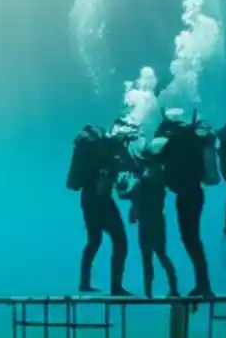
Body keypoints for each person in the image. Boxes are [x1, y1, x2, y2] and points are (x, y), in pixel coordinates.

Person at [155, 109, 220, 297]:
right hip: (194, 193)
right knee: (193, 240)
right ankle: (203, 284)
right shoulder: (193, 138)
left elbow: (155, 157)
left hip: (186, 195)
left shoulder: (172, 142)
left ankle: (204, 285)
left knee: (191, 240)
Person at [66, 123, 133, 296]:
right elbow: (129, 165)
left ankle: (84, 282)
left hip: (87, 198)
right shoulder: (108, 148)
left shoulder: (93, 147)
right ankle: (116, 287)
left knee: (94, 241)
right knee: (121, 241)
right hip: (101, 200)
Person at [117, 137, 180, 299]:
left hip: (149, 220)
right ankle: (161, 290)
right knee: (155, 255)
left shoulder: (152, 173)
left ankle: (153, 291)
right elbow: (131, 194)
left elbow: (132, 193)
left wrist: (124, 187)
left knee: (154, 255)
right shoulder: (156, 171)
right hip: (153, 219)